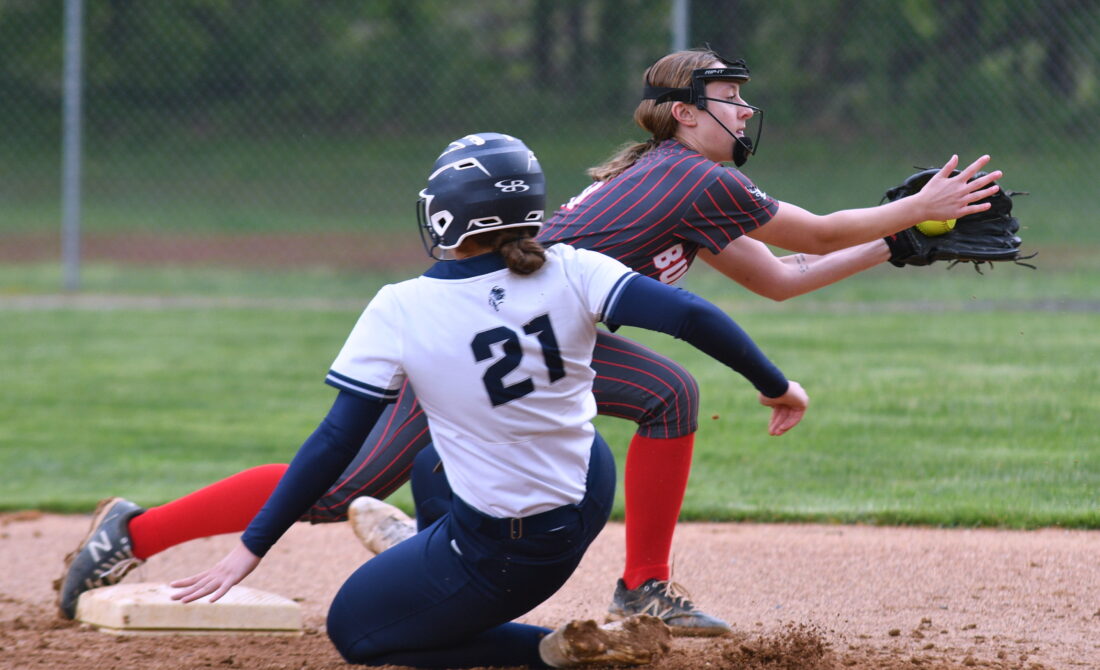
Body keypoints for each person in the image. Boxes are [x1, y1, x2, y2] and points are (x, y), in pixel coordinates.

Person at [57, 47, 1001, 636]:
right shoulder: (690, 177)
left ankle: (629, 582)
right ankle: (131, 532)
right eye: (727, 97)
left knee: (668, 397)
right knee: (340, 480)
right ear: (684, 114)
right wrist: (909, 211)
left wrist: (893, 245)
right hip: (488, 329)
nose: (744, 109)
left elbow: (783, 282)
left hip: (534, 332)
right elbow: (811, 235)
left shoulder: (686, 185)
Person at [164, 132, 808, 668]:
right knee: (427, 466)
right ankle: (423, 546)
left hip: (509, 552)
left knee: (356, 632)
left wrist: (252, 545)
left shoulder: (402, 307)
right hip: (585, 491)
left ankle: (563, 651)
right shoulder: (574, 265)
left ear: (446, 216)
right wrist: (776, 386)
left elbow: (335, 442)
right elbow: (693, 316)